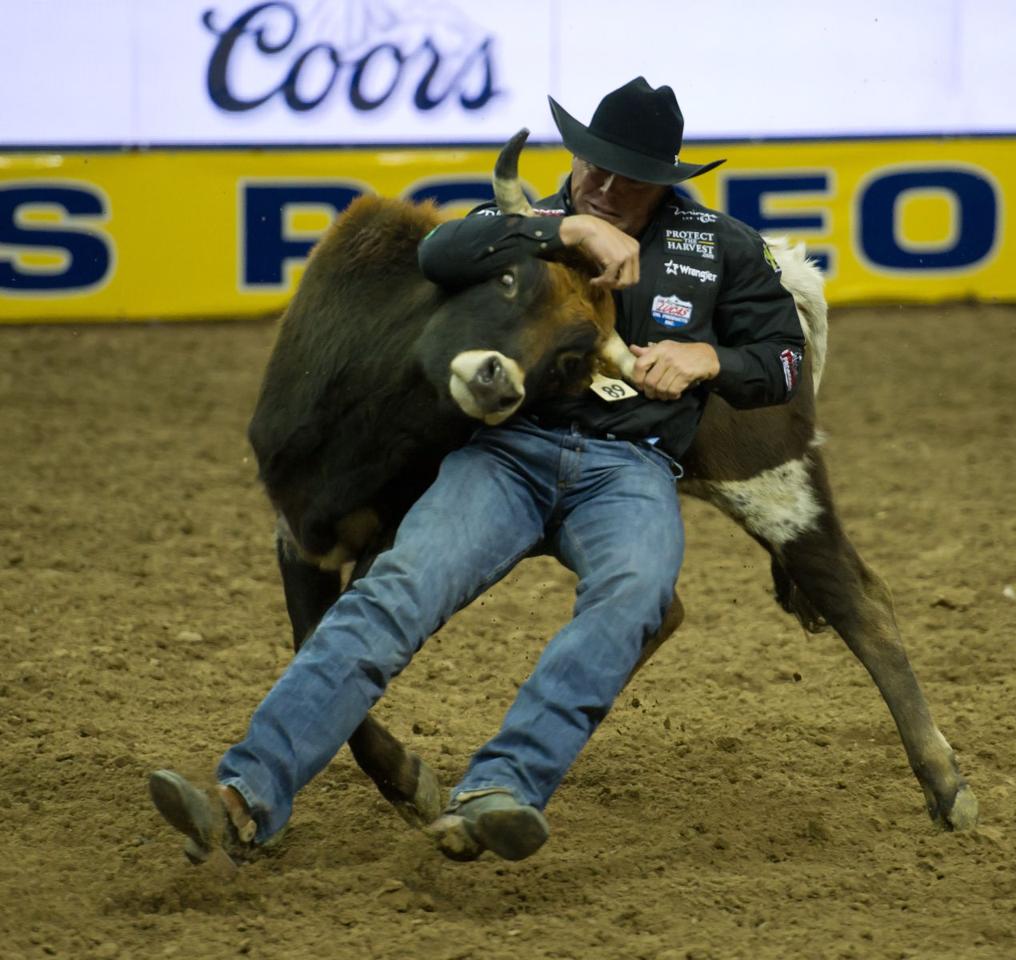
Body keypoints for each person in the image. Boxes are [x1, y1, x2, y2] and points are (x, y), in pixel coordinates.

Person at [148, 77, 807, 865]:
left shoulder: (720, 246)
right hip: (507, 452)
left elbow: (786, 360)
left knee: (636, 593)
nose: (600, 185)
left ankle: (501, 789)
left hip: (630, 466)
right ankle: (244, 795)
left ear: (663, 185)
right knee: (395, 592)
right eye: (591, 165)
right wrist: (564, 230)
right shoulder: (525, 220)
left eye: (626, 179)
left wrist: (711, 358)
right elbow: (438, 250)